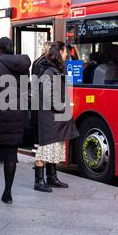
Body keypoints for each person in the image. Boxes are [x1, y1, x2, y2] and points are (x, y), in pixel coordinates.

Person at [0, 37, 31, 204]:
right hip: (17, 115)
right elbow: (25, 91)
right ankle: (8, 192)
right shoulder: (24, 67)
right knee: (11, 154)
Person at [33, 41, 79, 192]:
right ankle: (39, 181)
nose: (66, 54)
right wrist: (63, 107)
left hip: (54, 117)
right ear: (59, 53)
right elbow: (49, 97)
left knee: (53, 145)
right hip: (49, 117)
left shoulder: (54, 70)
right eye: (65, 51)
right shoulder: (48, 73)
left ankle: (51, 177)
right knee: (45, 147)